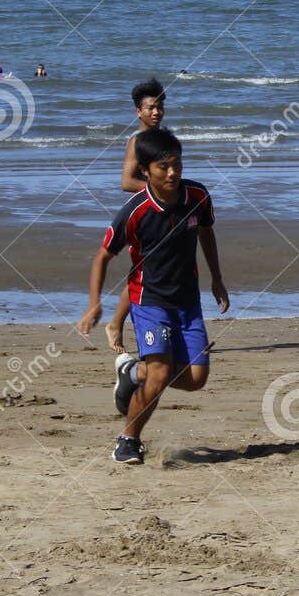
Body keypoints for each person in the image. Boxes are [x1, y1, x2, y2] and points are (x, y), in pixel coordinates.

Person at [77, 127, 229, 465]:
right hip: (148, 303)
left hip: (188, 302)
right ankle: (128, 440)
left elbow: (207, 232)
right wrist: (94, 304)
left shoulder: (197, 197)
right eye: (163, 167)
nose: (173, 172)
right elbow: (103, 256)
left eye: (177, 164)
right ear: (145, 171)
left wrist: (217, 278)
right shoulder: (135, 212)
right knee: (160, 373)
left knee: (195, 380)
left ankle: (132, 372)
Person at [106, 78, 168, 351]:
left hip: (166, 211)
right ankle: (116, 323)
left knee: (162, 269)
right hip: (145, 214)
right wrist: (159, 189)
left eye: (160, 106)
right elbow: (126, 182)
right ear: (138, 112)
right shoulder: (138, 141)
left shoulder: (164, 138)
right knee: (144, 271)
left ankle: (164, 327)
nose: (157, 112)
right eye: (151, 107)